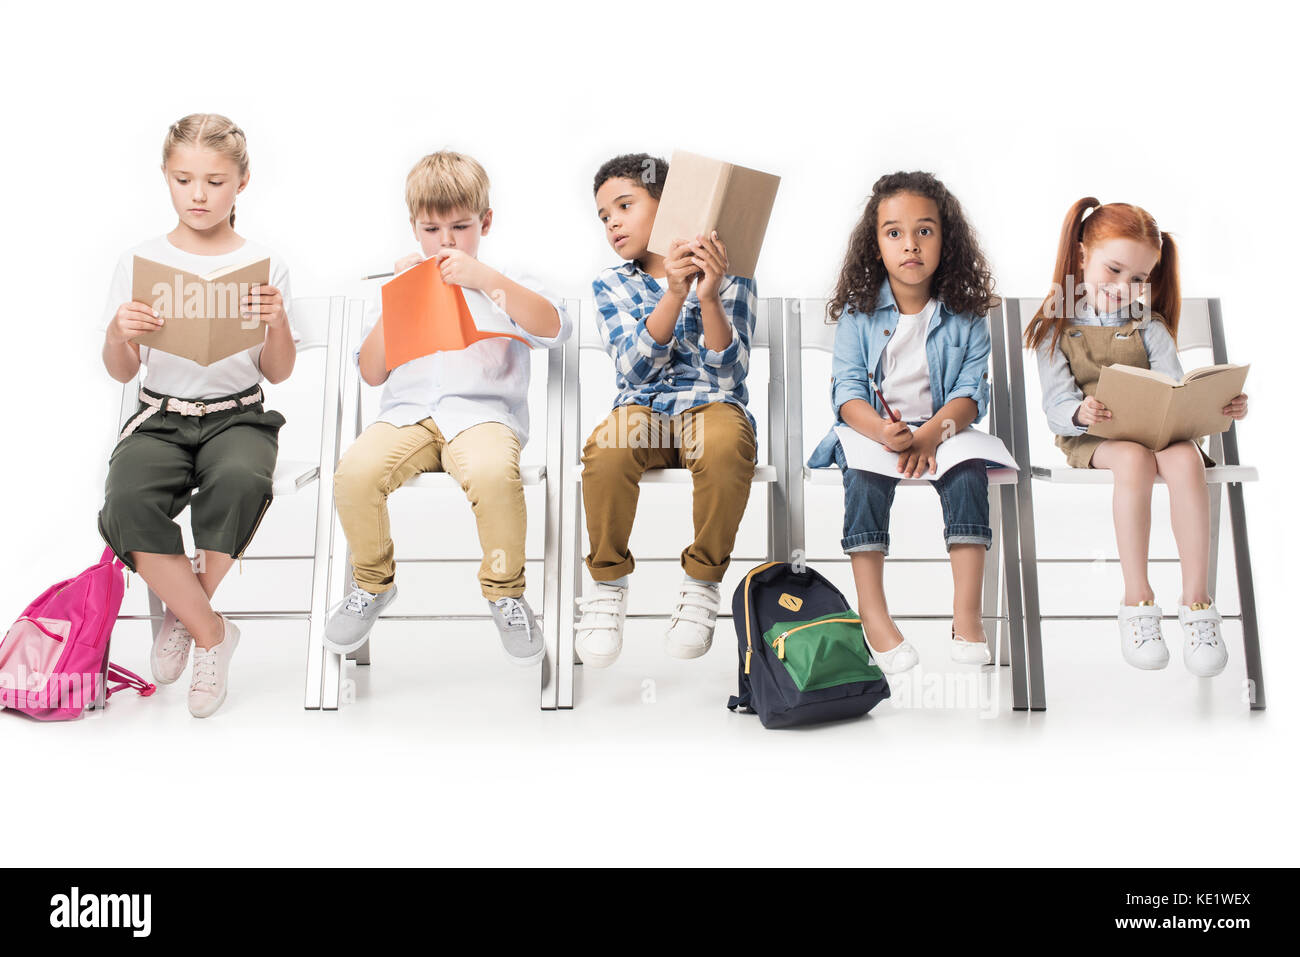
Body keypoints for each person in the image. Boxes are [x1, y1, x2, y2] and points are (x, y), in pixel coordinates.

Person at [326, 150, 570, 667]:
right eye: (432, 229)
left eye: (461, 226)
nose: (447, 241)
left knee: (492, 475)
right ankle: (371, 584)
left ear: (485, 221)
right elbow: (371, 372)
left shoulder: (506, 276)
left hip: (483, 416)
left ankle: (505, 591)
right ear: (414, 228)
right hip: (406, 417)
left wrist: (484, 279)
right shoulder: (397, 283)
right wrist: (400, 299)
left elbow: (554, 327)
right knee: (354, 473)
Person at [98, 113, 297, 717]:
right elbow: (122, 371)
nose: (199, 195)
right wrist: (119, 331)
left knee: (239, 480)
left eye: (215, 181)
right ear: (166, 178)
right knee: (127, 500)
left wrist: (277, 320)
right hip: (160, 417)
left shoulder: (264, 262)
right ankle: (211, 629)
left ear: (241, 183)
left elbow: (278, 371)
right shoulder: (139, 261)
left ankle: (186, 611)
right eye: (184, 180)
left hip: (238, 416)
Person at [1025, 198, 1249, 676]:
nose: (1124, 287)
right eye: (1114, 269)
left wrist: (1219, 406)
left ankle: (1197, 604)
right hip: (1094, 437)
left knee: (1186, 460)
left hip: (1157, 434)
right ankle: (1137, 600)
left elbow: (1177, 388)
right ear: (1082, 255)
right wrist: (1081, 411)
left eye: (1138, 278)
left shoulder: (1149, 325)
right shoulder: (1056, 328)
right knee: (1133, 461)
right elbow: (1055, 409)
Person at [807, 171, 999, 675]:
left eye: (925, 231)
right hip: (875, 431)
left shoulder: (966, 316)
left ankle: (966, 616)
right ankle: (874, 618)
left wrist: (932, 434)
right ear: (875, 246)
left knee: (967, 477)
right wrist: (881, 432)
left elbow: (970, 394)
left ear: (946, 241)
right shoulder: (859, 314)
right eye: (894, 233)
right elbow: (847, 393)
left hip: (945, 430)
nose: (909, 244)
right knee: (865, 481)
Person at [575, 153, 759, 668]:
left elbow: (730, 375)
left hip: (712, 405)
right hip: (645, 408)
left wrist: (710, 297)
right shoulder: (610, 284)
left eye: (624, 205)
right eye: (603, 215)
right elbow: (634, 371)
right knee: (607, 449)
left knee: (726, 446)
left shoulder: (733, 271)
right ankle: (608, 584)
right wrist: (674, 295)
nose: (612, 222)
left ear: (671, 205)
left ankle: (701, 582)